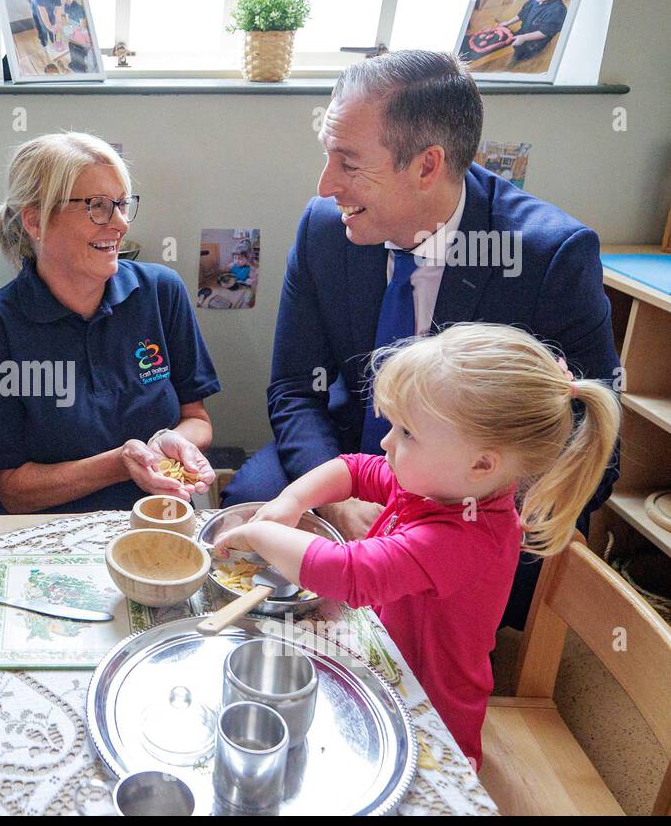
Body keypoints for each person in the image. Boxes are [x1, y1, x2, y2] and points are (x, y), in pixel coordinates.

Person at [221, 50, 620, 629]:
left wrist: (439, 513)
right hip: (355, 457)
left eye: (349, 164)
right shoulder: (324, 228)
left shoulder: (549, 257)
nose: (325, 184)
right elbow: (293, 388)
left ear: (427, 166)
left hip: (476, 498)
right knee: (249, 505)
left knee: (495, 577)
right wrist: (338, 498)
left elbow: (593, 447)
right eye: (327, 156)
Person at [213, 323, 620, 769]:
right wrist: (290, 501)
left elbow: (347, 574)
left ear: (481, 463)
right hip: (387, 663)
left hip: (428, 720)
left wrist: (260, 534)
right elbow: (354, 468)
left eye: (407, 433)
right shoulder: (441, 487)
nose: (386, 442)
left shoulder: (463, 538)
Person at [0, 132, 220, 514]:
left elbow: (196, 419)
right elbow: (13, 490)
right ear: (35, 221)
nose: (120, 224)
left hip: (157, 518)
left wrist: (168, 442)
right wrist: (120, 464)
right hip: (47, 535)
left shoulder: (161, 293)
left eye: (122, 205)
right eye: (97, 206)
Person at [498, 0, 576, 63]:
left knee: (519, 56)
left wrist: (524, 38)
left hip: (535, 43)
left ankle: (517, 61)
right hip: (523, 32)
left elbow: (544, 32)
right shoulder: (533, 1)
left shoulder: (558, 10)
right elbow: (522, 14)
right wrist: (508, 23)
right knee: (505, 42)